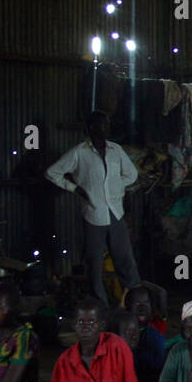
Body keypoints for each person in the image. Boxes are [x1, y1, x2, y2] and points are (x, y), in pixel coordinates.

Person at [45, 110, 141, 305]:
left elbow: (131, 174)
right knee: (95, 263)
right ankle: (100, 305)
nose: (106, 129)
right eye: (101, 125)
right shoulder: (79, 153)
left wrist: (117, 187)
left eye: (107, 125)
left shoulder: (116, 150)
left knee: (125, 259)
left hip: (115, 212)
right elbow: (52, 173)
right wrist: (75, 188)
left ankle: (135, 301)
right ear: (90, 129)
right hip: (94, 215)